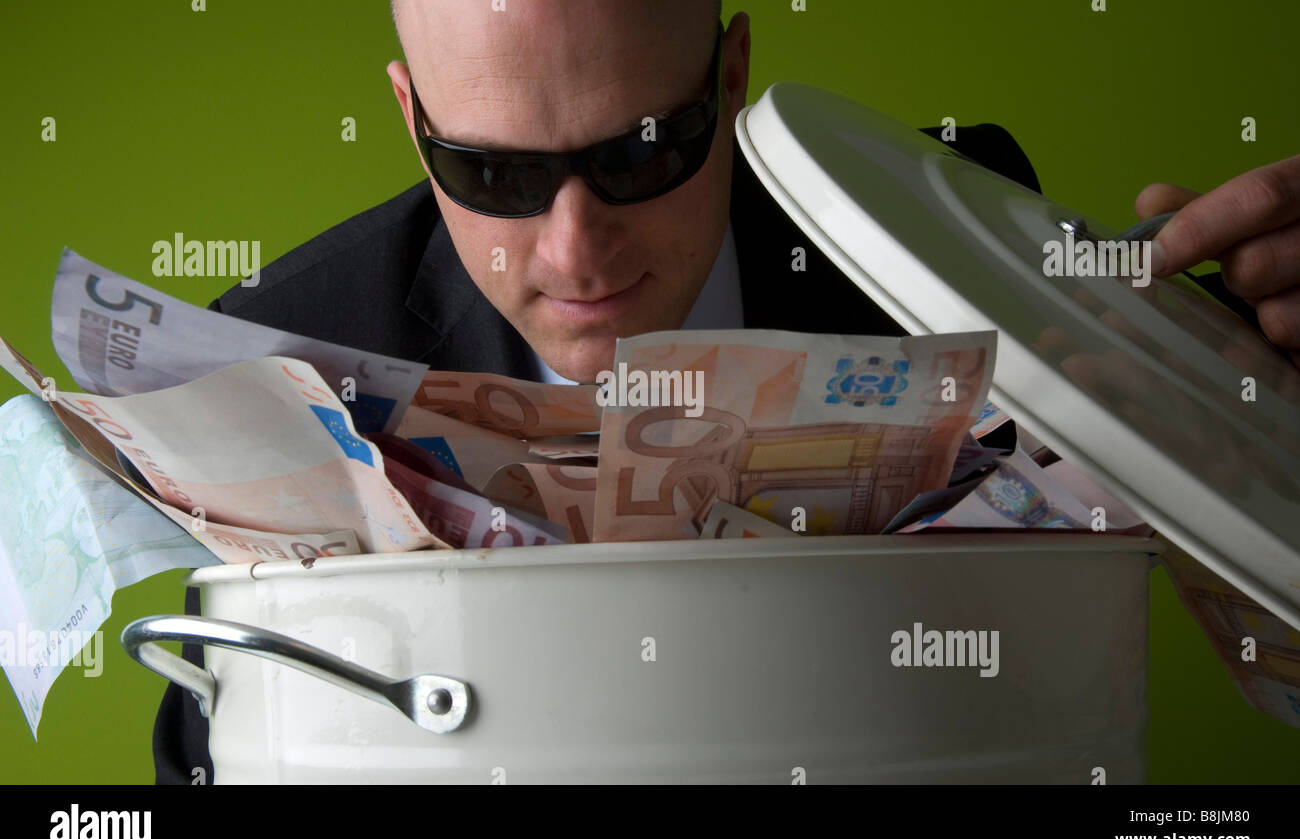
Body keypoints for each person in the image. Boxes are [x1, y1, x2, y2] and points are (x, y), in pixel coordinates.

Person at [153, 0, 1300, 783]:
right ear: (413, 123)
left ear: (733, 77)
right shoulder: (286, 350)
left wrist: (1242, 387)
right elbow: (221, 751)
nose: (576, 251)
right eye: (491, 172)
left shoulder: (931, 252)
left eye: (641, 152)